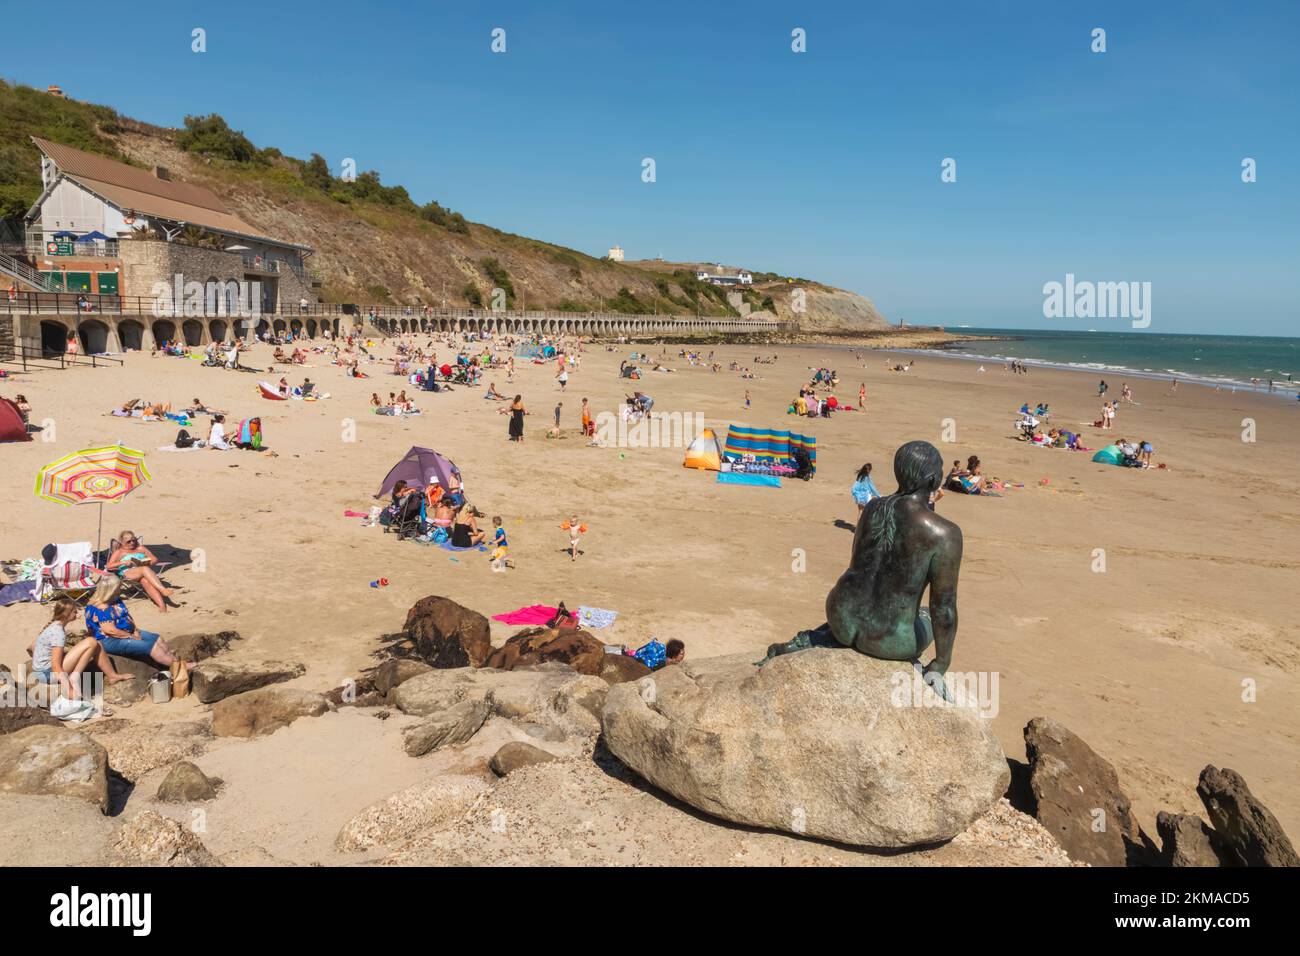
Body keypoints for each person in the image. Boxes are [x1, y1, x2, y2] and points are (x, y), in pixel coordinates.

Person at [27, 599, 128, 701]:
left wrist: (39, 660)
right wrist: (70, 690)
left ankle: (113, 676)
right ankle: (74, 678)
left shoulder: (52, 626)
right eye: (75, 611)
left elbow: (30, 647)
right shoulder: (58, 633)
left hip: (41, 672)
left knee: (97, 645)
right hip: (48, 674)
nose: (77, 613)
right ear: (67, 614)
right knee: (92, 642)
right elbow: (55, 666)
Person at [84, 577, 190, 674]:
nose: (120, 590)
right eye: (118, 588)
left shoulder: (114, 599)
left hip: (126, 632)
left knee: (157, 639)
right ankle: (180, 666)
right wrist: (131, 636)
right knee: (149, 646)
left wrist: (134, 629)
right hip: (109, 640)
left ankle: (173, 662)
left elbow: (127, 615)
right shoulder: (101, 608)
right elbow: (110, 631)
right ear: (110, 590)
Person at [106, 531, 175, 611]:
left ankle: (162, 606)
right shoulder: (119, 552)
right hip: (128, 574)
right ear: (122, 542)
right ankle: (162, 589)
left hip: (145, 573)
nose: (132, 543)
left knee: (145, 581)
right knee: (144, 569)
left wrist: (148, 561)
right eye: (128, 542)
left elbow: (154, 559)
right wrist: (124, 562)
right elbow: (109, 566)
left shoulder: (141, 548)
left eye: (134, 540)